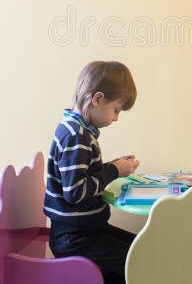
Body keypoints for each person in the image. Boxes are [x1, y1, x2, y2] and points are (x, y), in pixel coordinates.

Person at [44, 61, 141, 284]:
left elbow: (82, 176)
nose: (116, 118)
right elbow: (75, 192)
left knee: (141, 248)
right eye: (116, 110)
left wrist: (113, 166)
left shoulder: (76, 130)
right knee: (139, 259)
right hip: (75, 238)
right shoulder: (77, 136)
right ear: (97, 99)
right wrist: (113, 170)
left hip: (83, 232)